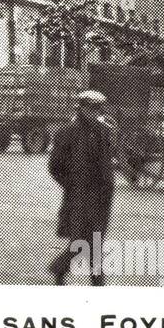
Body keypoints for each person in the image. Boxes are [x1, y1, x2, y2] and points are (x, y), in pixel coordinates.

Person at [48, 90, 116, 285]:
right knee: (88, 240)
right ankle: (96, 282)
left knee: (88, 240)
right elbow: (55, 166)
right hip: (80, 196)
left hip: (101, 196)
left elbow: (106, 160)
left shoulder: (103, 131)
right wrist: (71, 185)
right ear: (82, 108)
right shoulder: (68, 132)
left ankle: (61, 270)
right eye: (92, 109)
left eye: (98, 109)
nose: (96, 113)